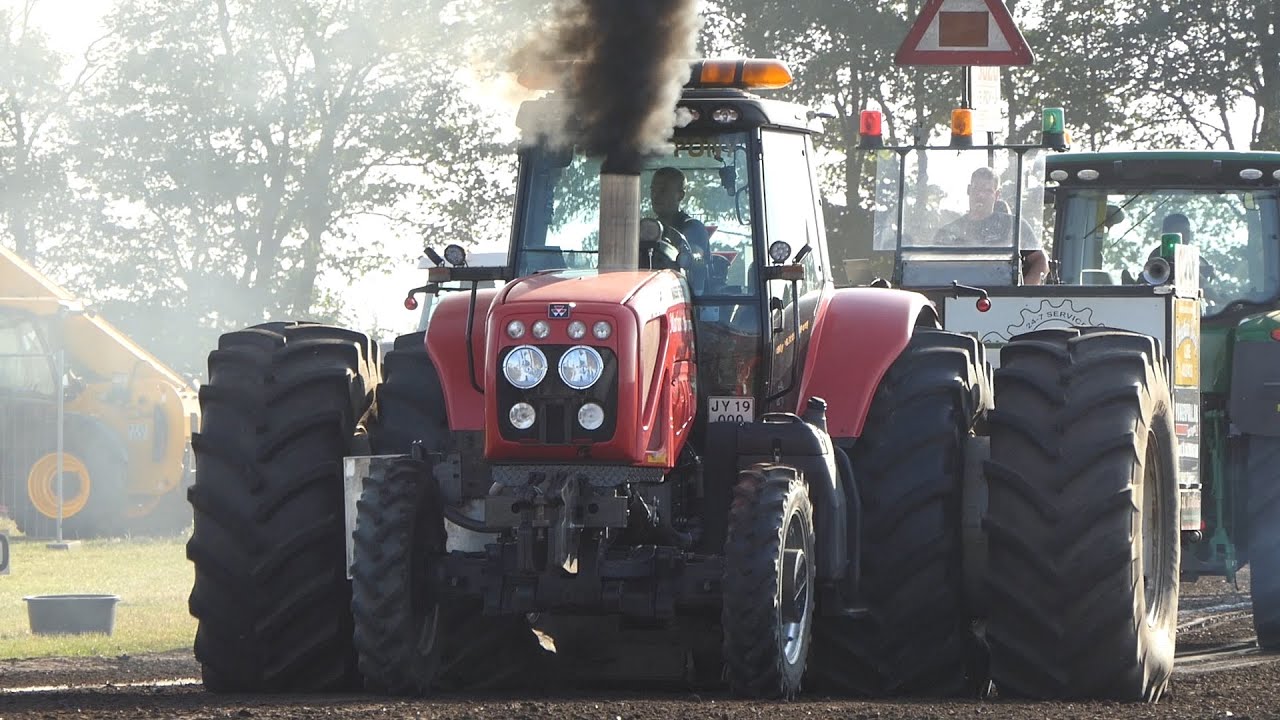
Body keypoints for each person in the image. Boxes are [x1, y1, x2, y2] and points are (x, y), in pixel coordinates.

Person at [934, 166, 1049, 285]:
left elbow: (1040, 260)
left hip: (1004, 296)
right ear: (968, 190)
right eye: (976, 189)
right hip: (957, 295)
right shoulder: (949, 232)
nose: (980, 195)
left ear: (997, 194)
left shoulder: (1014, 226)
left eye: (987, 190)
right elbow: (932, 269)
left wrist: (1022, 294)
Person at [649, 167, 711, 264]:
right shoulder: (649, 230)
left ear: (680, 195)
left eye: (663, 191)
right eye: (653, 190)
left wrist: (692, 257)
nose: (655, 196)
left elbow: (694, 256)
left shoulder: (693, 227)